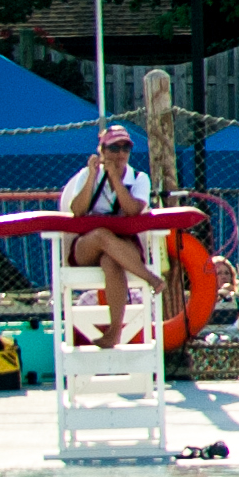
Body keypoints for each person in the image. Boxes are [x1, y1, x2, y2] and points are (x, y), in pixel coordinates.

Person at [54, 122, 161, 349]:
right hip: (88, 245)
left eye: (125, 148)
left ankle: (114, 332)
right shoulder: (87, 175)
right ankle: (150, 278)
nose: (121, 154)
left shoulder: (138, 178)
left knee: (111, 261)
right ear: (102, 151)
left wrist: (116, 180)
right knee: (102, 235)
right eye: (114, 148)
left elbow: (133, 210)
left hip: (122, 246)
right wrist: (94, 175)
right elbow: (78, 210)